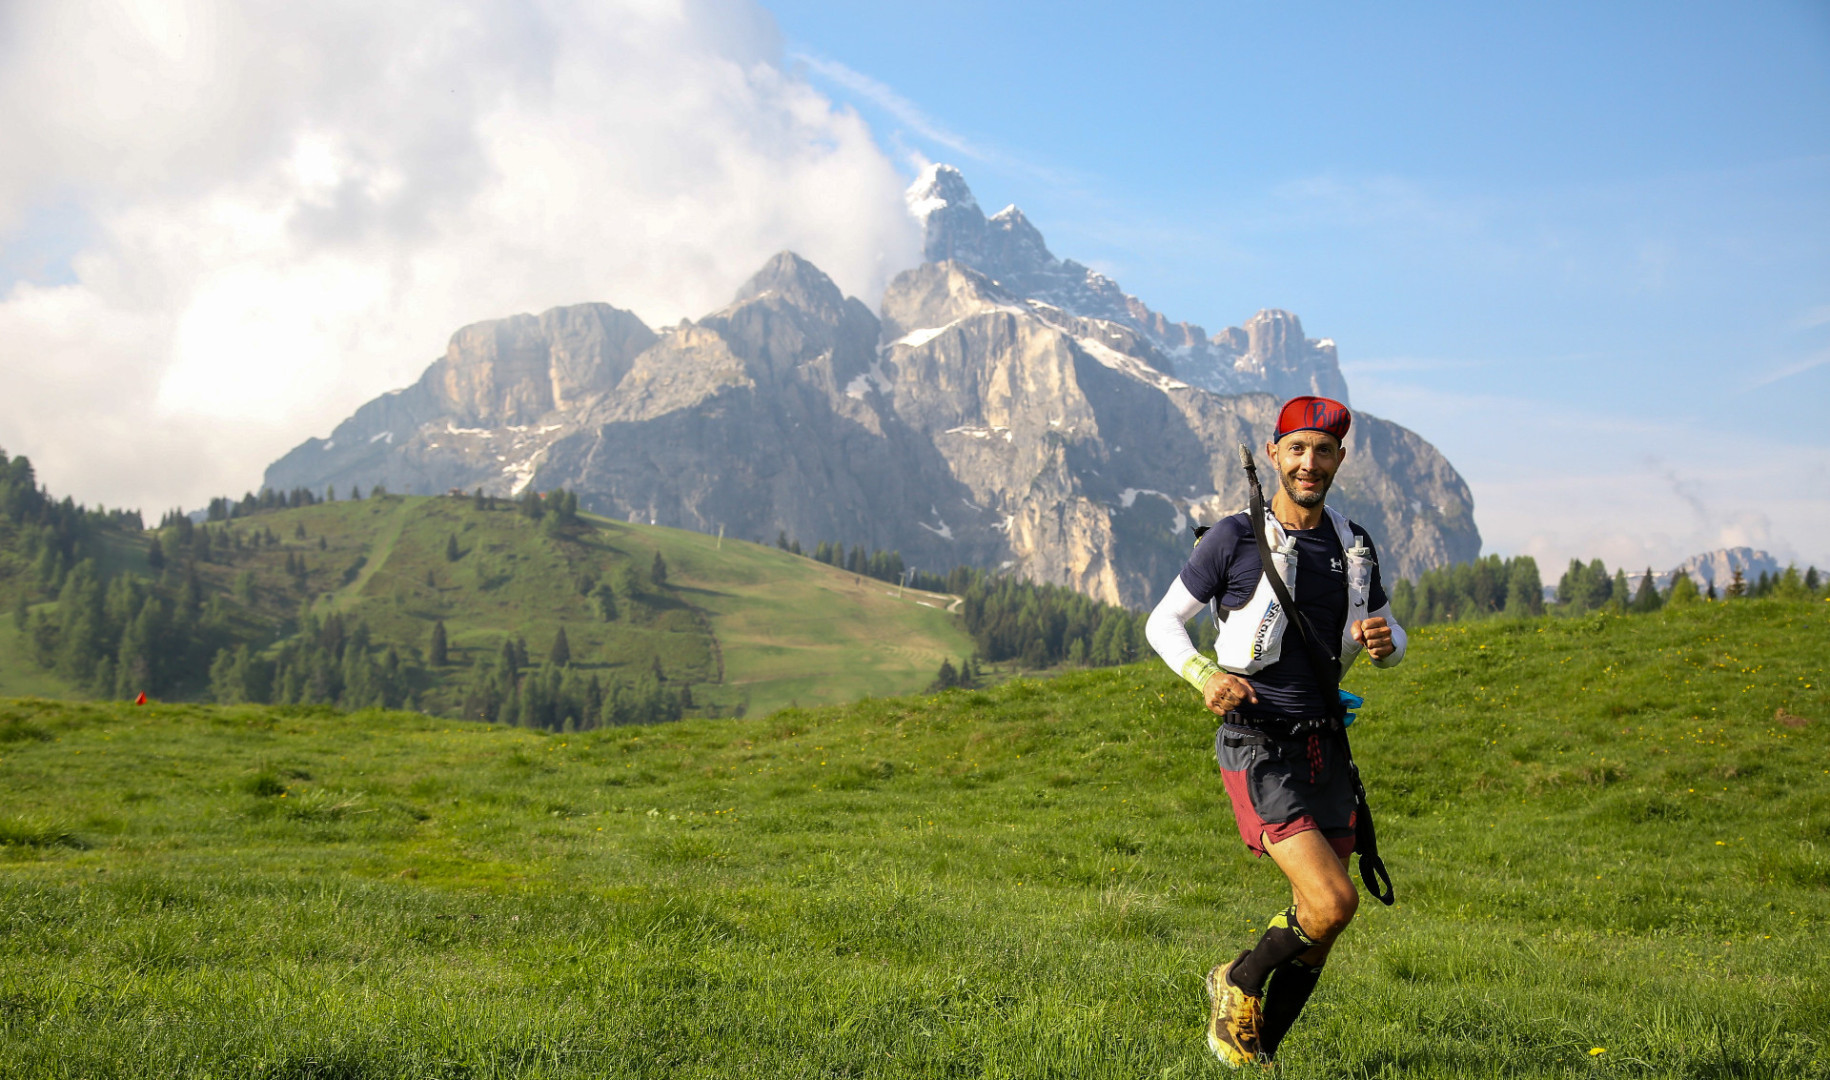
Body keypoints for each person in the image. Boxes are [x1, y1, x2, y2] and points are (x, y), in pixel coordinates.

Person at [1144, 395, 1408, 1067]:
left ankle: (1260, 1055)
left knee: (1321, 927)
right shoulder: (1234, 537)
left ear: (1339, 460)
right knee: (1333, 900)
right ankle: (1237, 979)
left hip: (1325, 745)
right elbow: (1162, 622)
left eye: (1323, 452)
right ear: (1274, 455)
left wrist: (1387, 642)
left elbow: (1389, 630)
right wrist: (1204, 674)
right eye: (1296, 449)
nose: (1309, 463)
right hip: (1257, 743)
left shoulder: (1353, 544)